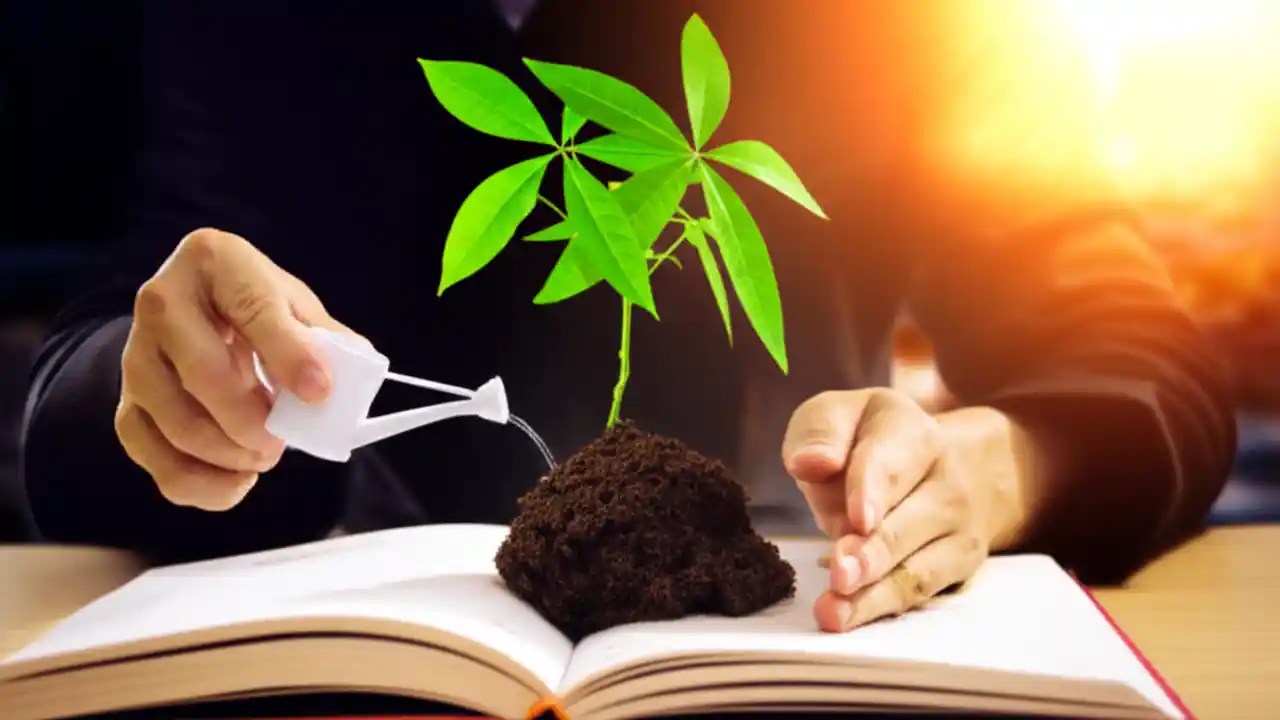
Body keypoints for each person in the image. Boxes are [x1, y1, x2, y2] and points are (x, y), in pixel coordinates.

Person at [19, 1, 1236, 634]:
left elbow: (1123, 342)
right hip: (373, 644)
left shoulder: (919, 21)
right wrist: (155, 385)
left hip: (794, 621)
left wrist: (991, 467)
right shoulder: (254, 19)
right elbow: (122, 331)